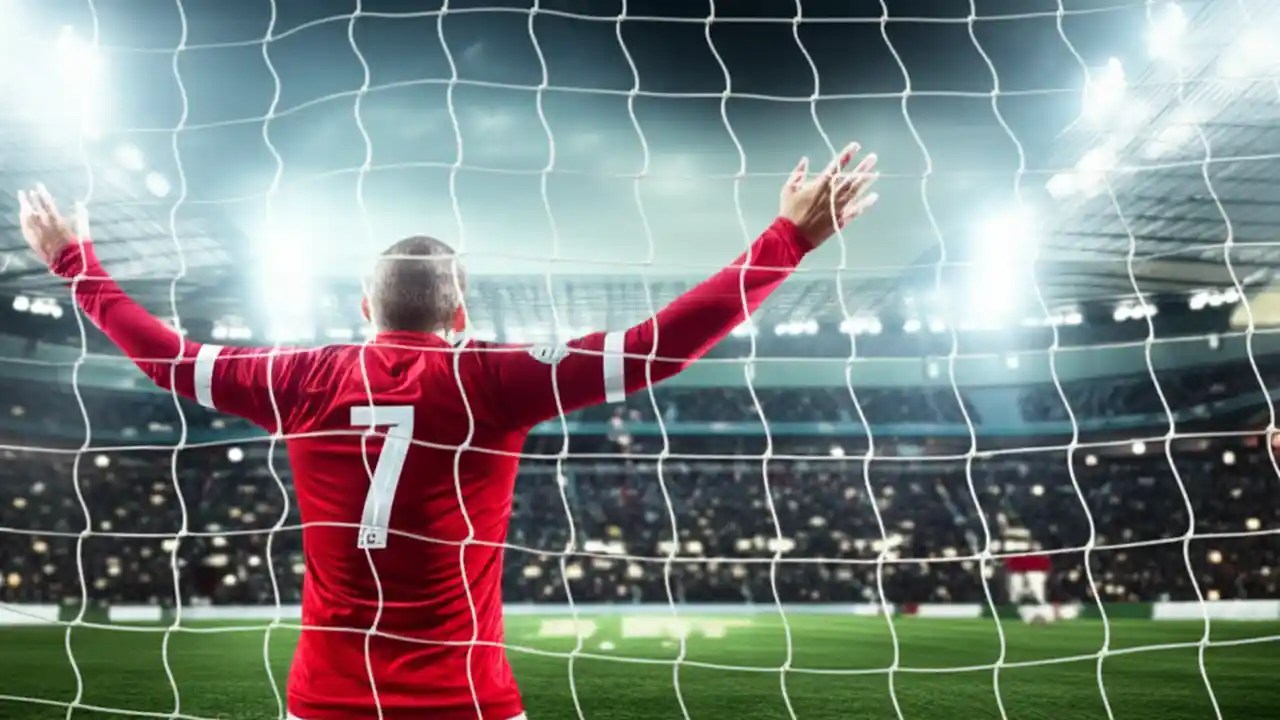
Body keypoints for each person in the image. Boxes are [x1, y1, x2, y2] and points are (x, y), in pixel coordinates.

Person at [17, 142, 879, 720]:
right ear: (461, 313)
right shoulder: (490, 379)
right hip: (468, 699)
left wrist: (73, 263)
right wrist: (788, 239)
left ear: (364, 309)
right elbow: (658, 348)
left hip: (327, 700)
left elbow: (165, 357)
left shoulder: (295, 379)